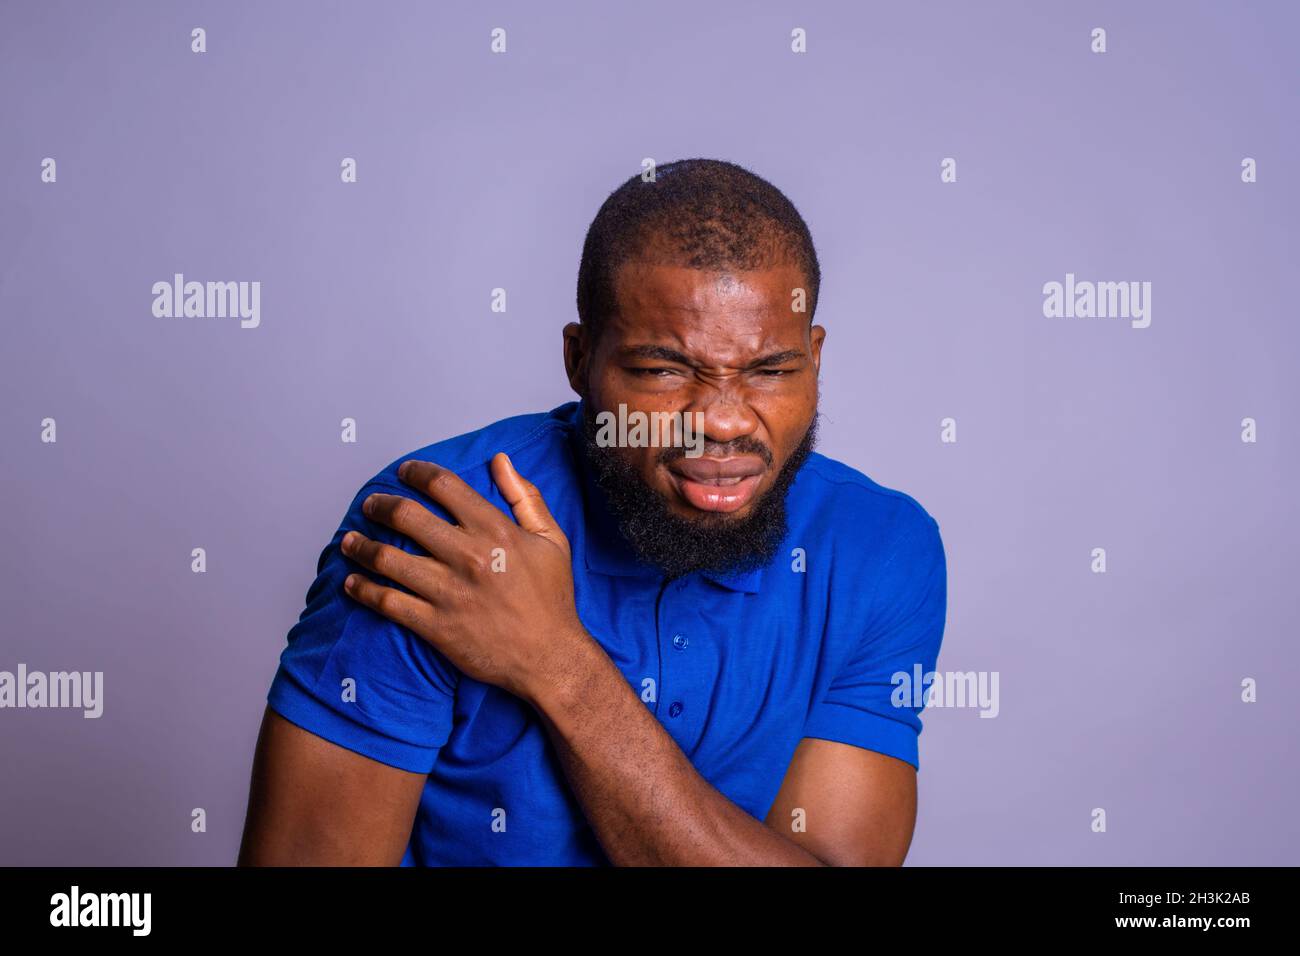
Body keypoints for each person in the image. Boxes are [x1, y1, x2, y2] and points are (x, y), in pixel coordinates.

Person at [238, 158, 947, 866]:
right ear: (580, 361)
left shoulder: (878, 549)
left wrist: (556, 664)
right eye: (666, 370)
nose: (726, 423)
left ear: (814, 359)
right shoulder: (445, 532)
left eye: (770, 371)